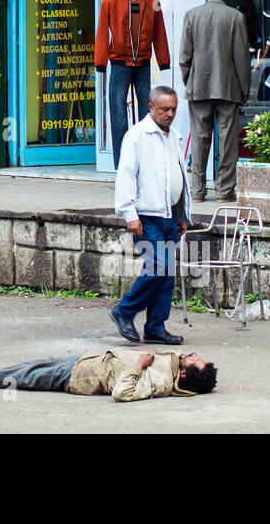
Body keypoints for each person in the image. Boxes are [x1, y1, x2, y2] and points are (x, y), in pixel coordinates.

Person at [109, 85, 191, 346]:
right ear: (151, 107)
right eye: (164, 109)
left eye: (174, 109)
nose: (170, 113)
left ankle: (156, 326)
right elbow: (126, 176)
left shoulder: (173, 136)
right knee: (158, 267)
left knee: (167, 274)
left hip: (168, 216)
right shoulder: (137, 136)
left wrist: (181, 215)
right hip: (146, 216)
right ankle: (124, 311)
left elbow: (177, 178)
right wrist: (128, 213)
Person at [178, 0, 250, 203]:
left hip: (198, 87)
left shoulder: (192, 15)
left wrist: (190, 80)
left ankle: (197, 191)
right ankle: (224, 192)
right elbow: (241, 58)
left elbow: (184, 58)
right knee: (228, 142)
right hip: (228, 88)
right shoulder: (236, 17)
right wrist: (244, 88)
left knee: (199, 140)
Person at [95, 0, 171, 167]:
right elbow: (103, 32)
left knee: (148, 114)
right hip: (119, 64)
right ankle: (122, 166)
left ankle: (146, 163)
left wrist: (163, 61)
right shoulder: (110, 0)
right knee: (118, 113)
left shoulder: (152, 0)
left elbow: (159, 32)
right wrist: (100, 62)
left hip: (143, 65)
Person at [0, 345, 217, 399]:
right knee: (29, 372)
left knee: (26, 373)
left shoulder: (160, 381)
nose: (192, 355)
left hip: (80, 377)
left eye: (195, 361)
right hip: (89, 361)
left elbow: (122, 393)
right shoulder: (172, 363)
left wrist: (139, 365)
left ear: (185, 375)